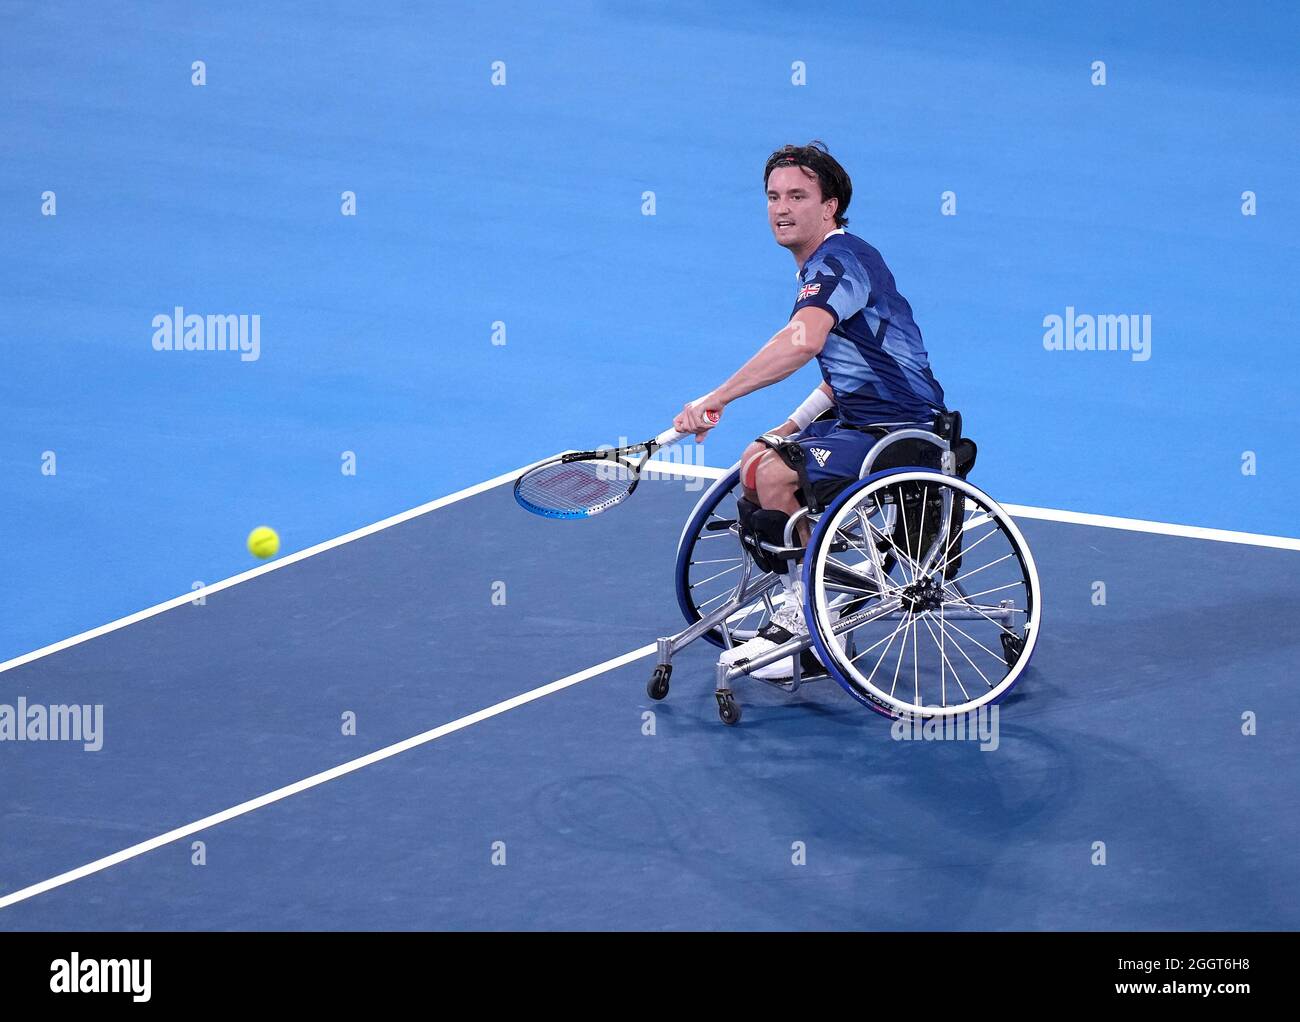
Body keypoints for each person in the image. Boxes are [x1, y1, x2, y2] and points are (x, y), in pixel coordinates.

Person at [673, 141, 947, 679]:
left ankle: (807, 625)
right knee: (760, 453)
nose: (782, 208)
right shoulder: (831, 262)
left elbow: (801, 342)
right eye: (773, 196)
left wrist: (716, 397)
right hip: (862, 418)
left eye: (798, 195)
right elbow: (843, 368)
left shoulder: (838, 263)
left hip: (899, 430)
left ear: (830, 206)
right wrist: (794, 424)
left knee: (770, 472)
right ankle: (816, 583)